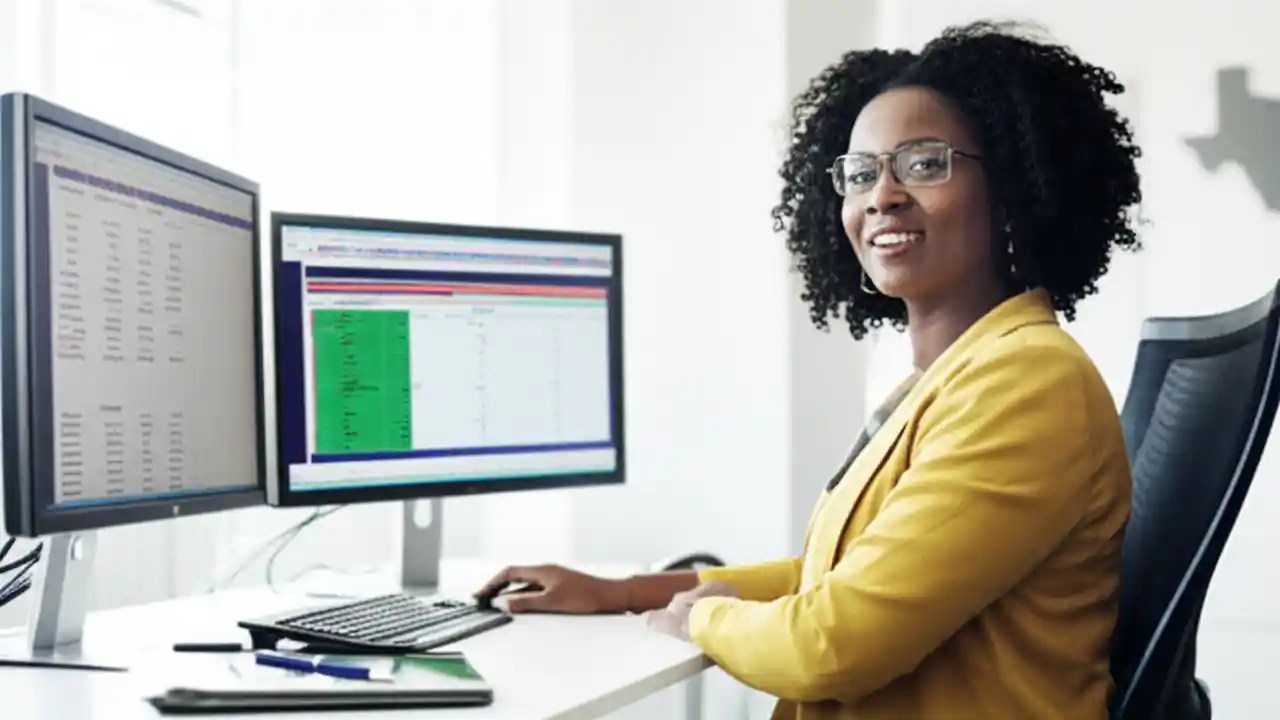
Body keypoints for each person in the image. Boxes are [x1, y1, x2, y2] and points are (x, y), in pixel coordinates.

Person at [476, 20, 1140, 719]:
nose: (882, 195)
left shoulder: (1025, 384)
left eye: (924, 163)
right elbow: (839, 582)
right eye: (861, 173)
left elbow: (830, 644)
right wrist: (626, 592)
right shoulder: (955, 377)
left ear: (1010, 185)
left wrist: (699, 618)